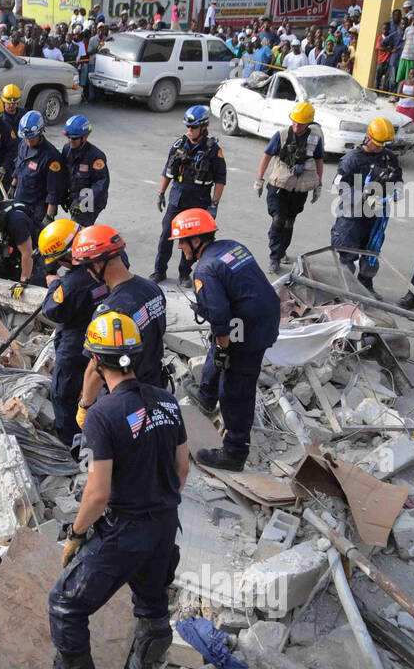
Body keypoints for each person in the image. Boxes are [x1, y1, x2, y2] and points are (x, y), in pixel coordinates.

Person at [16, 309, 189, 669]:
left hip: (124, 531)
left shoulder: (102, 416)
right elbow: (183, 468)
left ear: (94, 360)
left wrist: (76, 534)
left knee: (65, 603)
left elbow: (97, 493)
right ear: (136, 355)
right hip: (164, 524)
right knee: (151, 602)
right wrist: (159, 500)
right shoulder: (167, 402)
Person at [172, 209, 280, 471]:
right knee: (218, 349)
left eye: (182, 241)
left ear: (197, 240)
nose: (179, 246)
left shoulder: (205, 270)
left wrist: (225, 346)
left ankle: (234, 452)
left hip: (249, 329)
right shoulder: (232, 247)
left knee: (236, 388)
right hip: (259, 315)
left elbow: (220, 318)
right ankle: (206, 394)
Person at [73, 224, 167, 401]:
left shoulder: (109, 313)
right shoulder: (152, 288)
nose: (86, 271)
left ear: (99, 264)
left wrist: (85, 405)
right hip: (155, 386)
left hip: (127, 397)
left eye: (87, 265)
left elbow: (96, 368)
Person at [39, 218, 102, 443]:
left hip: (77, 339)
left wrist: (55, 283)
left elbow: (52, 310)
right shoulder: (108, 259)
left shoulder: (73, 284)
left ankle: (70, 440)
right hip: (103, 332)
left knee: (64, 392)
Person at [153, 105, 226, 288]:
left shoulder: (213, 150)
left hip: (198, 201)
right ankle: (159, 271)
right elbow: (168, 171)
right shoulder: (179, 145)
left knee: (193, 241)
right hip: (177, 199)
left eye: (193, 127)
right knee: (166, 236)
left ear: (203, 128)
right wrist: (161, 193)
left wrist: (214, 205)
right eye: (187, 127)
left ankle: (184, 273)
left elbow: (220, 180)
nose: (189, 130)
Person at [330, 117, 402, 297]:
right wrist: (362, 198)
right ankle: (345, 291)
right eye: (378, 144)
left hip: (376, 217)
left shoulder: (388, 157)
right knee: (347, 254)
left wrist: (397, 190)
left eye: (384, 144)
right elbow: (339, 186)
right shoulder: (351, 159)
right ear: (367, 137)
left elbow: (397, 178)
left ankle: (365, 286)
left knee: (371, 255)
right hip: (352, 217)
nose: (381, 148)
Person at [253, 102, 324, 273]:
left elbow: (319, 160)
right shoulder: (282, 135)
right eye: (294, 122)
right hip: (279, 187)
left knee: (289, 222)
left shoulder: (315, 138)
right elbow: (267, 156)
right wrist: (259, 179)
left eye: (300, 123)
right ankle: (274, 257)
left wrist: (318, 185)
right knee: (278, 220)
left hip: (299, 190)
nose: (296, 126)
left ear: (308, 123)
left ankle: (282, 250)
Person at [8, 110, 66, 230]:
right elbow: (19, 166)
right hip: (21, 199)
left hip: (37, 208)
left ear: (40, 132)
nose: (28, 141)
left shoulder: (51, 157)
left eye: (31, 138)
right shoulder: (23, 145)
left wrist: (49, 216)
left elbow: (54, 190)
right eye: (26, 138)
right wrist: (13, 186)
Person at [60, 114, 109, 228]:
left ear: (85, 137)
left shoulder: (96, 157)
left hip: (91, 201)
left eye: (75, 138)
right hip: (74, 197)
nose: (71, 140)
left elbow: (101, 184)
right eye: (69, 137)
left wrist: (82, 202)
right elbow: (64, 175)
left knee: (79, 228)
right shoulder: (66, 149)